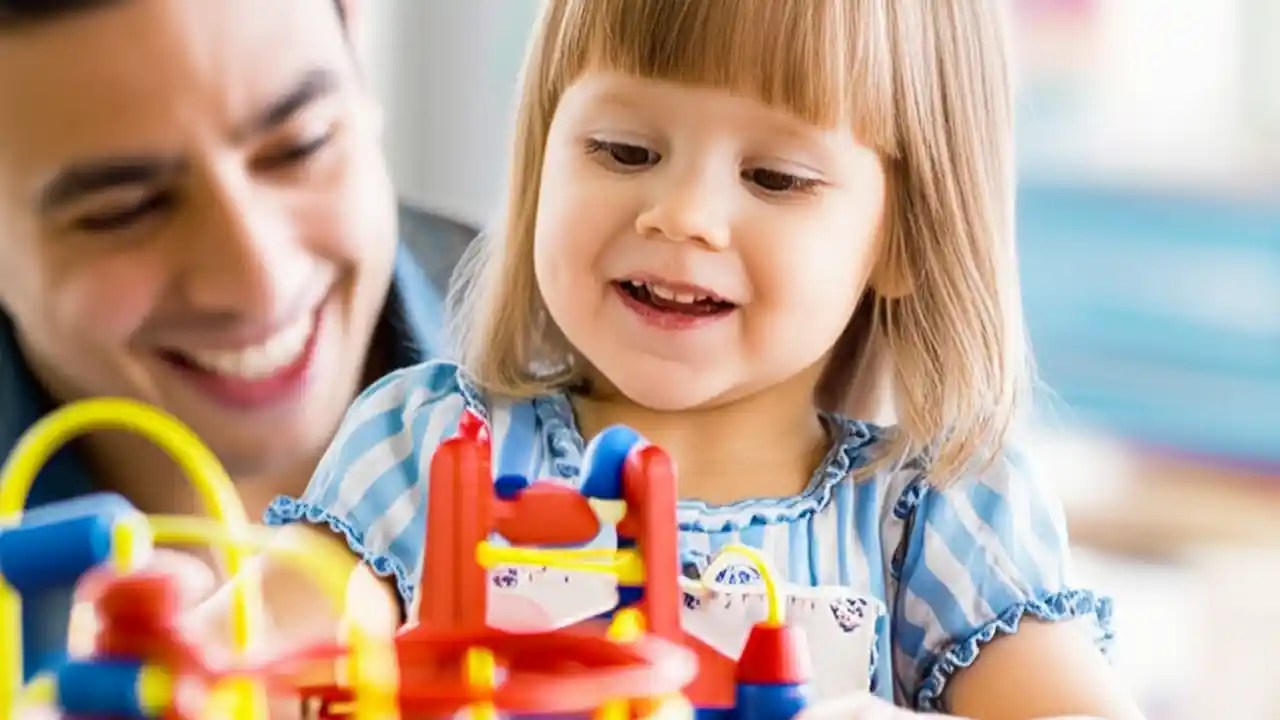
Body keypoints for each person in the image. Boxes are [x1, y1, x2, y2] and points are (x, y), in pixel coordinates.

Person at [263, 0, 1147, 717]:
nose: (682, 214)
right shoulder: (426, 452)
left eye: (775, 179)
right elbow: (254, 664)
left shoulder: (930, 521)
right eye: (624, 151)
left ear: (904, 235)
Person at [0, 0, 473, 677]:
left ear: (357, 50)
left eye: (300, 146)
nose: (261, 282)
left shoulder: (625, 362)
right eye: (123, 211)